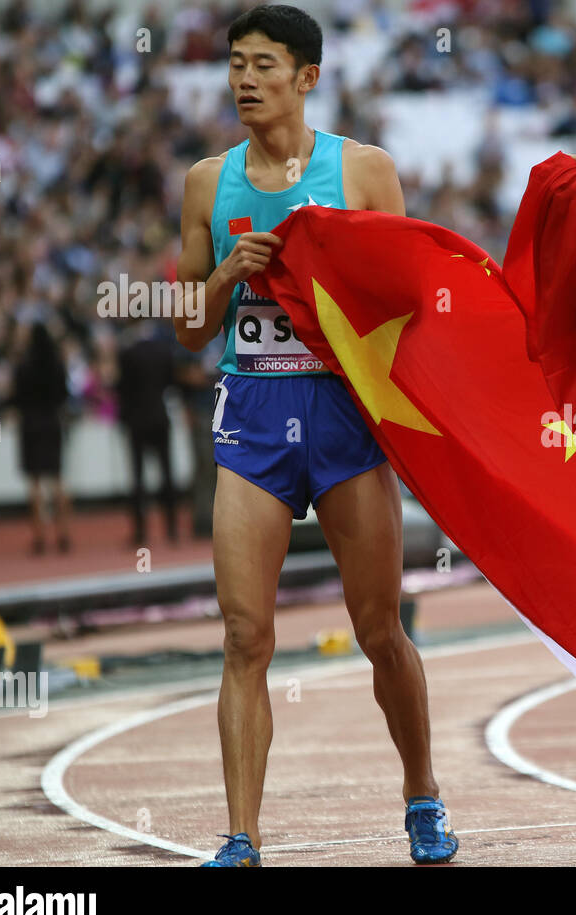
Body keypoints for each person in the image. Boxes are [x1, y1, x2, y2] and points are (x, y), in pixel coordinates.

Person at [174, 4, 454, 867]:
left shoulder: (364, 172)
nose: (244, 80)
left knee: (378, 628)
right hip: (253, 418)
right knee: (244, 634)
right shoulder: (206, 184)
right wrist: (226, 273)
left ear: (308, 77)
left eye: (263, 64)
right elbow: (187, 327)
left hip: (344, 420)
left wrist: (335, 284)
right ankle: (242, 835)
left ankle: (423, 797)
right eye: (234, 65)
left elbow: (411, 305)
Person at [115, 319, 179, 546]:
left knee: (138, 477)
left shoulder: (127, 352)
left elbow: (122, 388)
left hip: (136, 420)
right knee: (167, 474)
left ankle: (140, 531)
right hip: (160, 417)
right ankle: (172, 529)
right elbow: (172, 382)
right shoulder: (164, 350)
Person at [11, 322, 73, 555]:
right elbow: (65, 396)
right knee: (58, 479)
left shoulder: (23, 365)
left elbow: (15, 398)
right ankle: (64, 533)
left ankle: (39, 536)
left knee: (35, 482)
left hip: (30, 425)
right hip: (52, 424)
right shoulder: (57, 364)